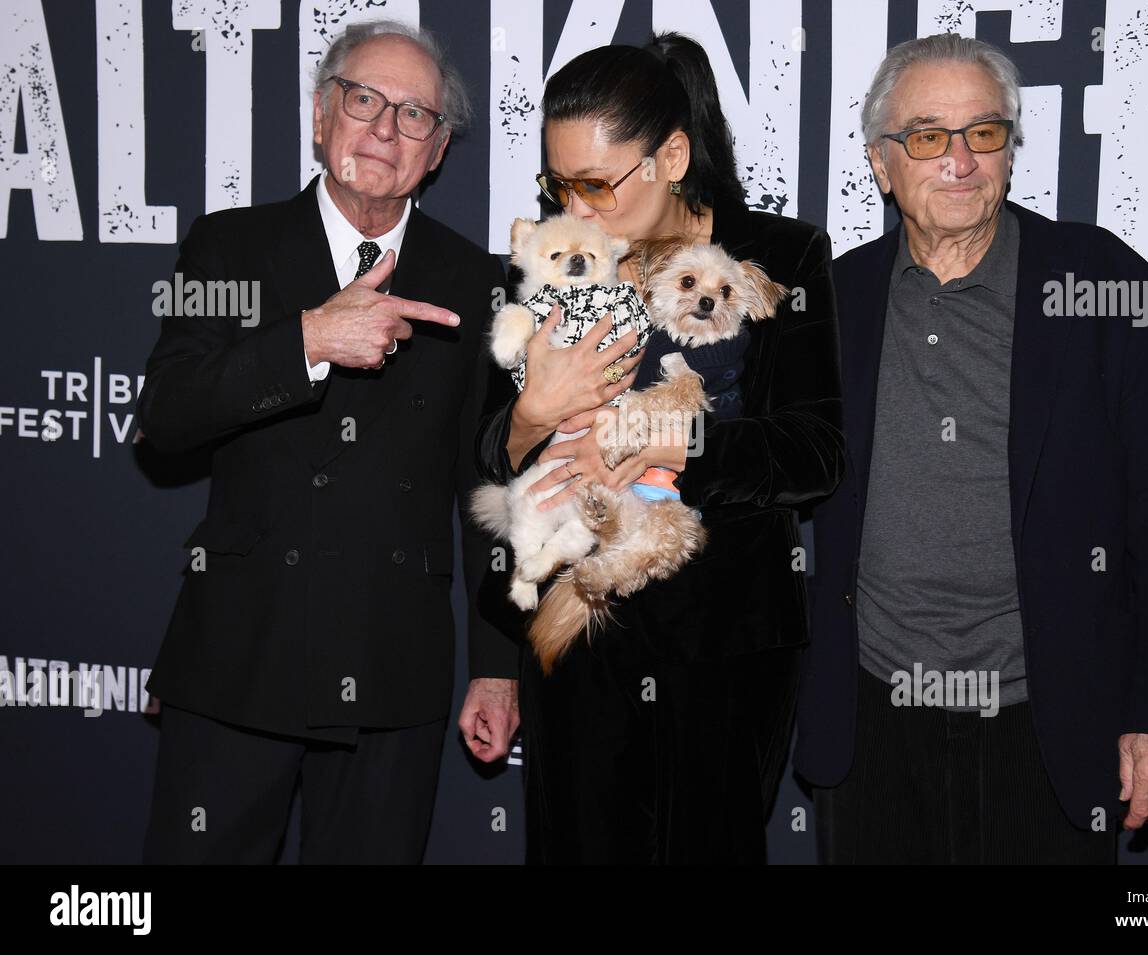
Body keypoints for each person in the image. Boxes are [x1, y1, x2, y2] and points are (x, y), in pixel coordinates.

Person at [796, 34, 1148, 864]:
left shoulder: (1099, 282)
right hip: (872, 726)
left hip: (1050, 723)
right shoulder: (835, 300)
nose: (959, 159)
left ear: (1009, 150)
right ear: (883, 164)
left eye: (983, 132)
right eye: (927, 135)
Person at [137, 20, 520, 864]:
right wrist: (306, 340)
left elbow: (486, 483)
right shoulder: (228, 246)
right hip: (239, 658)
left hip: (392, 670)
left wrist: (497, 663)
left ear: (439, 149)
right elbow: (164, 415)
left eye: (413, 114)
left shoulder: (478, 282)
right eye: (364, 100)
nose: (384, 128)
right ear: (321, 115)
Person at [476, 32, 845, 864]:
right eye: (560, 184)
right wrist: (532, 415)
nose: (578, 206)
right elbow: (490, 451)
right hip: (578, 633)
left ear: (672, 155)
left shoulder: (779, 257)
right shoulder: (553, 262)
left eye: (597, 183)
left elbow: (814, 452)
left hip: (725, 642)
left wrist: (675, 443)